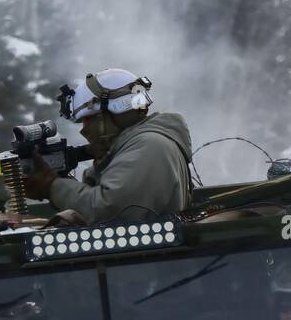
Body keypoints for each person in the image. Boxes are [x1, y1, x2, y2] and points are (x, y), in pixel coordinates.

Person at [22, 68, 192, 224]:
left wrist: (52, 186)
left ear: (117, 110)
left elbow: (108, 210)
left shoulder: (150, 146)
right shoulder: (140, 144)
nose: (84, 130)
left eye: (88, 119)